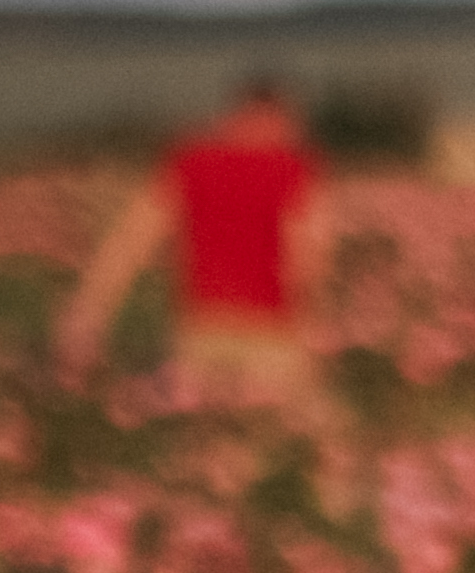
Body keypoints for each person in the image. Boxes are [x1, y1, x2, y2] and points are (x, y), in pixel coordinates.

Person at [60, 73, 333, 399]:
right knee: (275, 436)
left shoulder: (191, 161)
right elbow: (306, 256)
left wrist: (88, 312)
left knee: (193, 422)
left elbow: (131, 240)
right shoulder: (293, 168)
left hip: (199, 330)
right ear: (277, 117)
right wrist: (310, 328)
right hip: (271, 333)